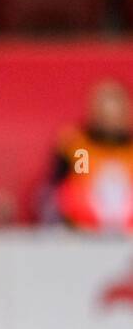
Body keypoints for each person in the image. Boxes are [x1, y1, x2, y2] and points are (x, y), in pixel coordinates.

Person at [44, 79, 133, 231]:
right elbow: (77, 187)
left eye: (116, 113)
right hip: (85, 233)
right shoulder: (80, 147)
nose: (110, 120)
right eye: (105, 112)